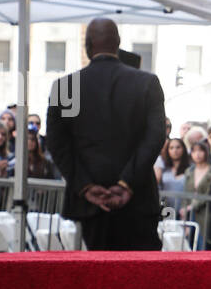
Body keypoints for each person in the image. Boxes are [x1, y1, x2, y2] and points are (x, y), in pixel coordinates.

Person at [44, 18, 167, 251]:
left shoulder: (65, 87)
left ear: (88, 46)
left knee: (97, 279)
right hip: (138, 199)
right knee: (142, 278)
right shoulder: (146, 83)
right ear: (118, 43)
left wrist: (86, 186)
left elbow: (57, 144)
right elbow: (155, 137)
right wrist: (126, 182)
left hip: (90, 204)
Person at [181, 138, 211, 249]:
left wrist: (192, 206)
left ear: (206, 152)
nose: (197, 154)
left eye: (200, 150)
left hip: (206, 213)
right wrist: (184, 209)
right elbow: (185, 193)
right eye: (194, 151)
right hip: (188, 214)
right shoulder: (189, 171)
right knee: (186, 246)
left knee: (202, 245)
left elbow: (209, 193)